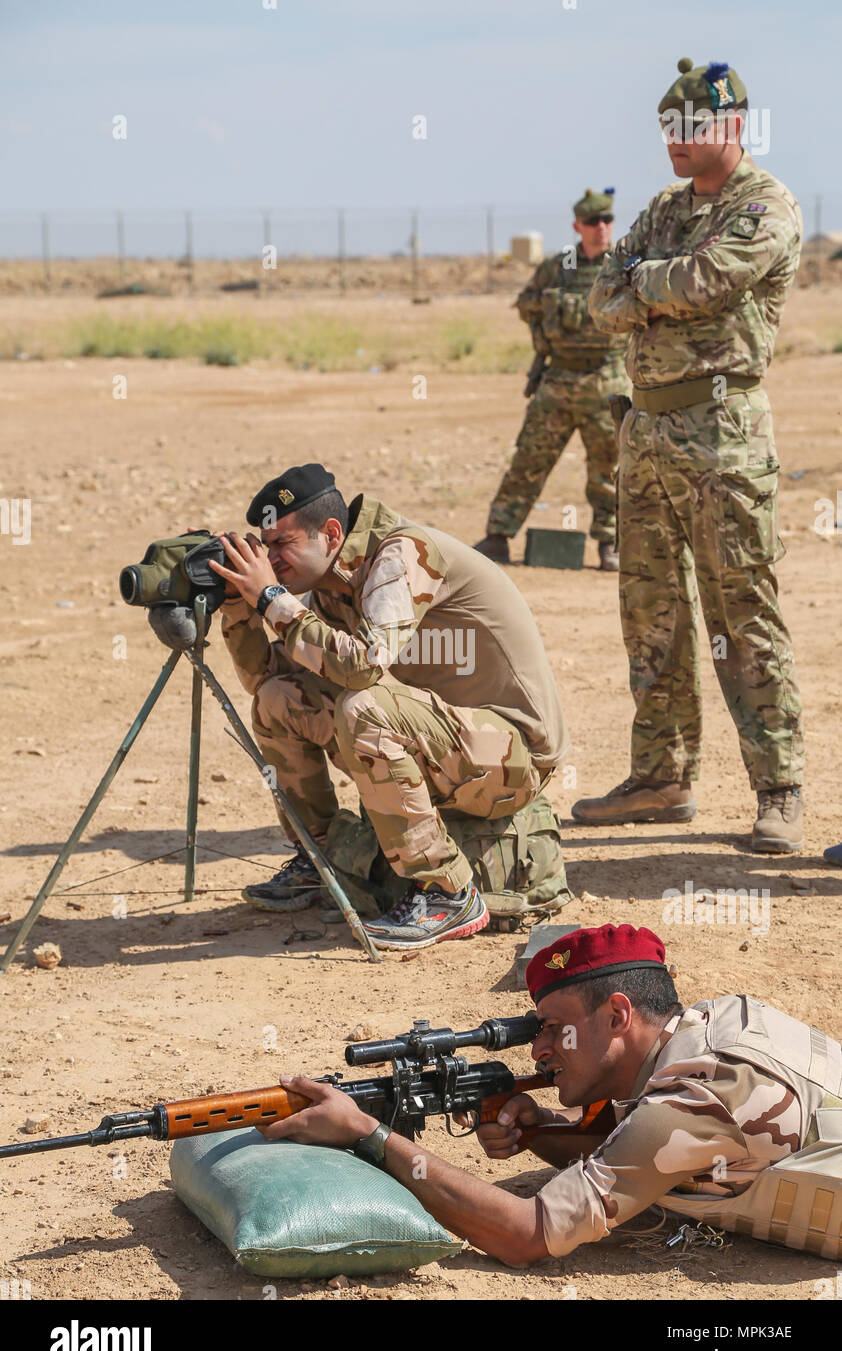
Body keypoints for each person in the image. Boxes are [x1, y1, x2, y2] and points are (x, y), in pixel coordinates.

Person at [263, 923, 842, 1265]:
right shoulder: (709, 1026)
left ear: (618, 1014)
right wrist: (538, 1127)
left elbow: (526, 1235)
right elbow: (633, 1156)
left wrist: (370, 1135)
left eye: (551, 1027)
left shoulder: (696, 1099)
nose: (538, 1050)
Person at [572, 59, 804, 854]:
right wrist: (638, 285)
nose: (677, 141)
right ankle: (661, 778)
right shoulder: (664, 209)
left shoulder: (765, 206)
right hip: (647, 436)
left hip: (724, 436)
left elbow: (712, 278)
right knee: (651, 614)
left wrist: (645, 283)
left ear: (734, 126)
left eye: (693, 128)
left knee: (741, 614)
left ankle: (779, 788)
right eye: (669, 128)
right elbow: (601, 298)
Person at [208, 463, 568, 951]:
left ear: (332, 533)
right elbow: (265, 682)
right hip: (449, 743)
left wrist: (271, 597)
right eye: (265, 546)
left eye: (281, 544)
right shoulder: (332, 581)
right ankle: (319, 860)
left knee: (363, 705)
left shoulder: (403, 555)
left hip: (514, 757)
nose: (271, 559)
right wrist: (238, 606)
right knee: (279, 701)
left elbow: (361, 669)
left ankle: (446, 893)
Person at [474, 188, 630, 572]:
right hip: (558, 379)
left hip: (607, 380)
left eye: (607, 220)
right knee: (529, 459)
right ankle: (498, 536)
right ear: (578, 225)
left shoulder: (622, 266)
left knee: (611, 469)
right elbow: (527, 304)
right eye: (593, 222)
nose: (601, 228)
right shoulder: (560, 267)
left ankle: (610, 544)